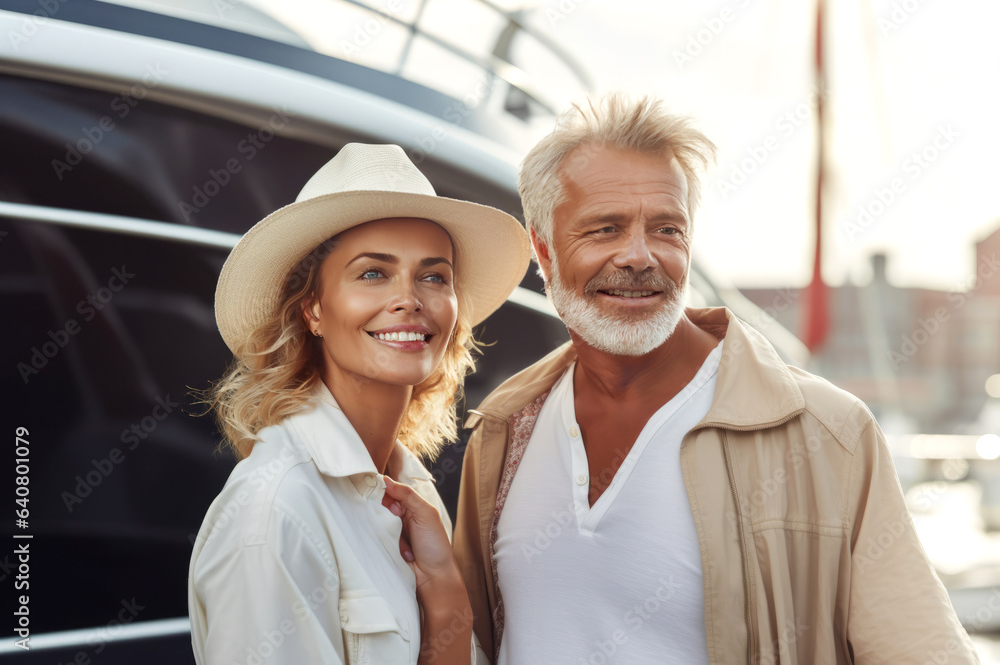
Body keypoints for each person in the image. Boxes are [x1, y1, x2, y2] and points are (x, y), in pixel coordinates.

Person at [452, 94, 979, 664]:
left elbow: (924, 652)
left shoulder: (830, 433)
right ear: (544, 251)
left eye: (666, 229)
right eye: (605, 229)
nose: (638, 255)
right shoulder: (504, 427)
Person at [188, 142, 529, 664]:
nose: (410, 298)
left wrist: (446, 597)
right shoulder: (276, 510)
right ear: (314, 311)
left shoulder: (412, 492)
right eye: (373, 273)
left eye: (434, 276)